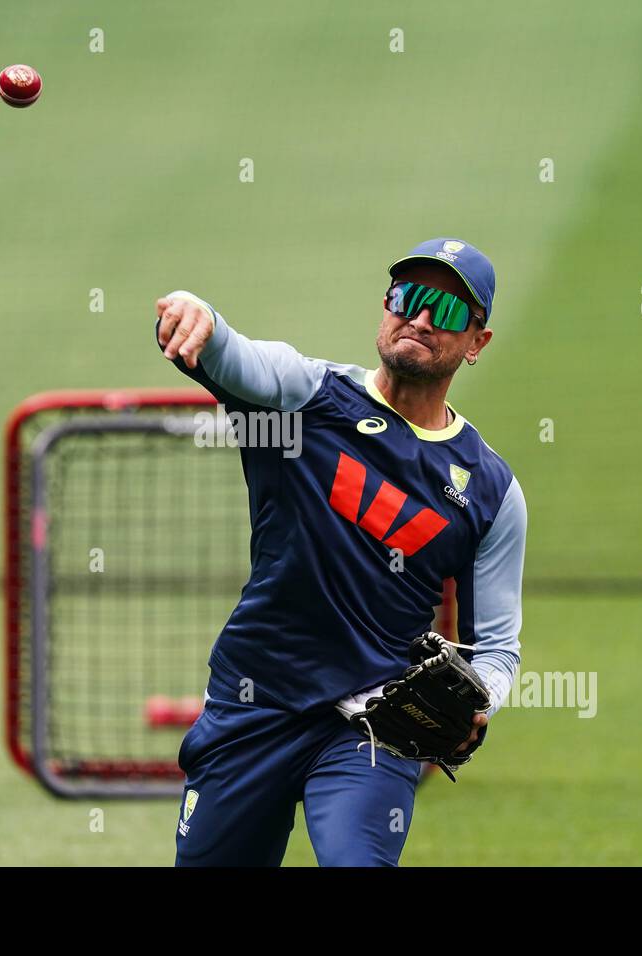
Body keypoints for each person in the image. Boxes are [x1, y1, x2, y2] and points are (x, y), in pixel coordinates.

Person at [153, 238, 526, 866]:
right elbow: (235, 356)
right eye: (408, 297)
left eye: (449, 310)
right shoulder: (307, 397)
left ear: (476, 343)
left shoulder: (490, 490)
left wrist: (479, 700)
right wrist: (199, 313)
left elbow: (497, 647)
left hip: (372, 726)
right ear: (386, 305)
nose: (422, 318)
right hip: (254, 701)